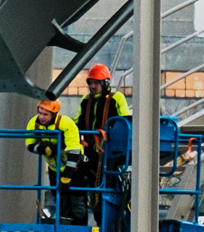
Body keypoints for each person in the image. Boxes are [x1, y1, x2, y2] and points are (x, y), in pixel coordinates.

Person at [73, 63, 131, 200]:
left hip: (110, 150)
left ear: (105, 83)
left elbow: (125, 123)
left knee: (110, 184)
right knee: (90, 182)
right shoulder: (86, 100)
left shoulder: (116, 98)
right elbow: (77, 122)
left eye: (96, 83)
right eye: (91, 83)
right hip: (90, 150)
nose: (93, 86)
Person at [27, 97, 87, 222]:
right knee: (60, 199)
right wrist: (43, 150)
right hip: (54, 169)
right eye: (40, 113)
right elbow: (29, 144)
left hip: (74, 168)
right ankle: (64, 228)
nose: (41, 117)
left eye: (45, 114)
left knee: (77, 201)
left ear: (54, 114)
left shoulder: (66, 123)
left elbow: (74, 151)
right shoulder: (34, 123)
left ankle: (80, 229)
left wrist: (67, 175)